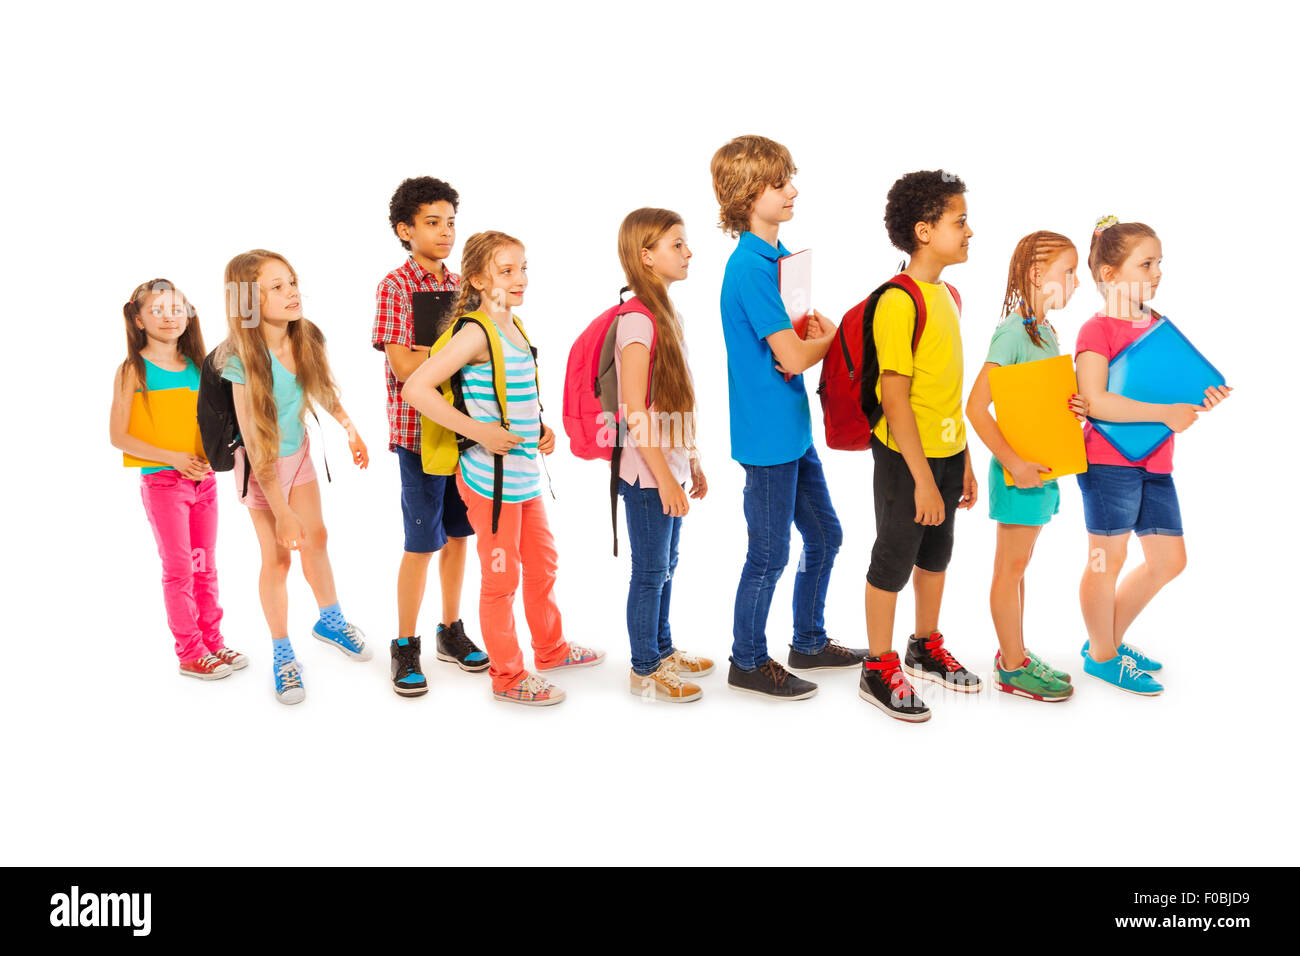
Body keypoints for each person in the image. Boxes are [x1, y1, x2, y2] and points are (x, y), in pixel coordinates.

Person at [402, 231, 604, 706]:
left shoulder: (515, 326)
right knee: (501, 581)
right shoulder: (475, 330)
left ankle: (550, 649)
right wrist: (479, 431)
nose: (520, 279)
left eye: (523, 268)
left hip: (523, 477)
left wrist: (541, 427)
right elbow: (416, 388)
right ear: (476, 279)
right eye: (507, 270)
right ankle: (508, 676)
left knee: (543, 565)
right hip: (488, 482)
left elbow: (511, 394)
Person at [711, 134, 867, 702]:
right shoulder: (750, 269)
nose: (792, 190)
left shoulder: (780, 258)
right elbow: (794, 355)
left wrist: (812, 339)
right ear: (750, 194)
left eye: (789, 179)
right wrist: (831, 340)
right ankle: (747, 660)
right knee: (770, 553)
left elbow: (793, 342)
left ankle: (808, 640)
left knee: (825, 535)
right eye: (780, 184)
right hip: (767, 434)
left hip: (792, 427)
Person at [1074, 217, 1231, 694]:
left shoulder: (1158, 327)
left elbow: (1166, 387)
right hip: (1108, 463)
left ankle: (1108, 639)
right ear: (1109, 274)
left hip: (1155, 462)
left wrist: (1196, 397)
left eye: (1160, 262)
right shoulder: (1095, 330)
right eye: (1146, 263)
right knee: (1107, 557)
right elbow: (1095, 401)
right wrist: (1169, 412)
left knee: (1169, 560)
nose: (1157, 272)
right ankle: (1102, 655)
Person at [217, 249, 371, 704]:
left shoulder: (305, 337)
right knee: (279, 559)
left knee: (317, 537)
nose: (292, 292)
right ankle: (283, 655)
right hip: (261, 466)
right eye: (277, 287)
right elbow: (256, 441)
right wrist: (281, 511)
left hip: (298, 454)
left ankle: (330, 620)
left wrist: (350, 429)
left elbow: (320, 387)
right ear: (248, 299)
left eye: (292, 282)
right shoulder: (240, 358)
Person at [861, 170, 981, 723]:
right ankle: (878, 665)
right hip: (907, 460)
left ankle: (923, 645)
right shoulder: (898, 301)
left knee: (936, 557)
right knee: (894, 558)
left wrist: (964, 461)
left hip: (946, 454)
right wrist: (924, 479)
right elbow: (895, 397)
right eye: (959, 222)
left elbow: (947, 391)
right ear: (925, 230)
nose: (969, 231)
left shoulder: (948, 293)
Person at [373, 176, 486, 698]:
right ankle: (405, 643)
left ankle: (450, 628)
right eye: (432, 223)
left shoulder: (464, 285)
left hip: (464, 431)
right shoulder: (395, 287)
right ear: (405, 229)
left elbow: (485, 357)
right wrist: (454, 358)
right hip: (418, 433)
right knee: (422, 541)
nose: (445, 233)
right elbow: (402, 363)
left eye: (450, 223)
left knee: (461, 536)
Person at [965, 231, 1086, 702]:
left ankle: (1013, 651)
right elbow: (976, 407)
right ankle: (1012, 668)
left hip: (1041, 474)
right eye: (1068, 272)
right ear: (1038, 275)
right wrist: (1014, 464)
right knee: (1009, 569)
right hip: (1020, 476)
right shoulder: (1014, 331)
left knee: (1021, 567)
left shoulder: (1047, 331)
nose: (1076, 281)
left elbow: (1031, 403)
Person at [110, 278, 246, 680]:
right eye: (157, 310)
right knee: (180, 569)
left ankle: (212, 642)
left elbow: (212, 423)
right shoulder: (133, 370)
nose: (169, 317)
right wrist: (173, 458)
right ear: (138, 319)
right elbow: (118, 435)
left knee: (205, 565)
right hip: (164, 484)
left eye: (177, 309)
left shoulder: (199, 365)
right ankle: (189, 652)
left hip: (203, 482)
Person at [614, 208, 713, 702]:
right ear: (646, 256)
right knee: (650, 571)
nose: (688, 252)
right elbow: (635, 412)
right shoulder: (637, 320)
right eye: (677, 244)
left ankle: (662, 647)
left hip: (668, 466)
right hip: (646, 474)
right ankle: (644, 668)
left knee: (667, 565)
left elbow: (673, 398)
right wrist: (665, 479)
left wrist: (689, 460)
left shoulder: (665, 313)